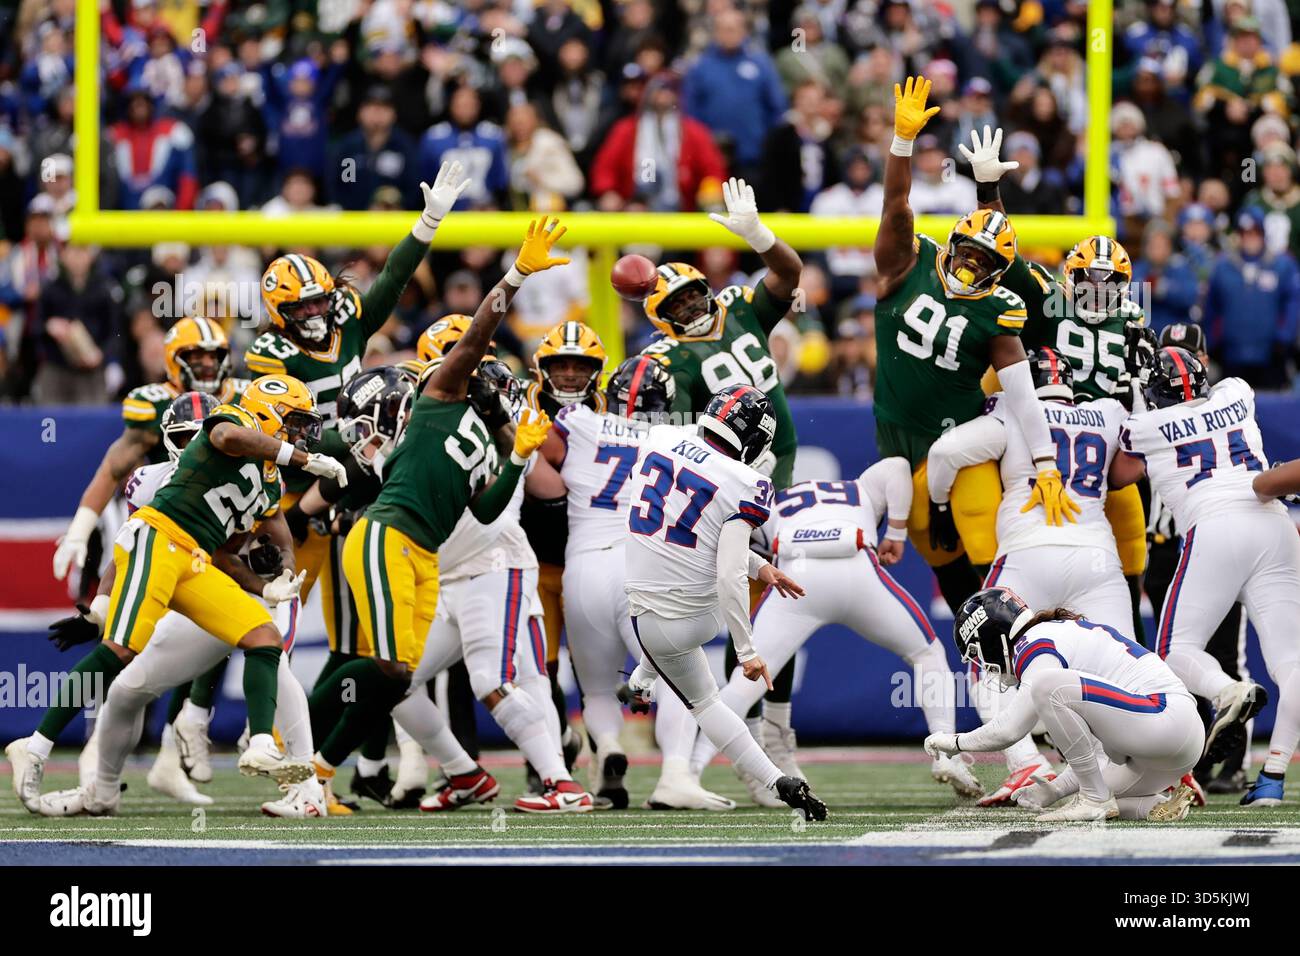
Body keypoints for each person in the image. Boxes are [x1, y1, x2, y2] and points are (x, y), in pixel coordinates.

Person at [314, 217, 574, 811]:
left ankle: (559, 781)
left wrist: (514, 277)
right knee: (395, 681)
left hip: (487, 566)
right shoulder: (453, 428)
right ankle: (464, 773)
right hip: (438, 563)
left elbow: (491, 508)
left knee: (500, 680)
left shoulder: (463, 416)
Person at [6, 376, 346, 811]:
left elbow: (264, 537)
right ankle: (34, 747)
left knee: (263, 636)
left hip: (197, 561)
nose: (301, 434)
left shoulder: (267, 480)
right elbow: (223, 436)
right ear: (268, 417)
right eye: (294, 424)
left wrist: (276, 579)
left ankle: (261, 742)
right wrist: (100, 606)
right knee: (119, 653)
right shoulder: (229, 425)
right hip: (161, 541)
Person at [871, 79, 1075, 615]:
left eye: (987, 264)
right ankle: (984, 666)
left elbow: (1023, 391)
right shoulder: (907, 265)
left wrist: (1046, 460)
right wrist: (901, 142)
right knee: (944, 560)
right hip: (901, 446)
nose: (972, 267)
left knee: (987, 547)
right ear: (954, 240)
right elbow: (896, 205)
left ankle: (1018, 647)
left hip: (962, 438)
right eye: (969, 254)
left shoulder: (999, 307)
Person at [688, 455, 980, 800]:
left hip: (796, 573)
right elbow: (898, 467)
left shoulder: (769, 497)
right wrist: (896, 533)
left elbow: (733, 539)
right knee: (927, 653)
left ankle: (690, 770)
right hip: (856, 565)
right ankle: (945, 751)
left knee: (744, 682)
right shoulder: (859, 487)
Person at [638, 176, 805, 771]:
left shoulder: (738, 309)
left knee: (779, 601)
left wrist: (759, 235)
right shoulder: (670, 360)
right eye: (674, 306)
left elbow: (789, 276)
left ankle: (771, 724)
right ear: (661, 319)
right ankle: (753, 729)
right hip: (735, 490)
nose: (689, 308)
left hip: (778, 470)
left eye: (691, 296)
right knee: (753, 601)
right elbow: (690, 442)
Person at [928, 348, 1133, 804]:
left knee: (984, 661)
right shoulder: (1108, 412)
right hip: (1096, 554)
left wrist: (940, 504)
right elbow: (1132, 468)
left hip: (1026, 552)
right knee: (1122, 668)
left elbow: (944, 451)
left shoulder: (1011, 412)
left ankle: (1026, 764)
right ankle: (1136, 770)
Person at [618, 384, 826, 821]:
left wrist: (759, 567)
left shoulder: (660, 439)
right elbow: (727, 571)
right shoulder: (747, 481)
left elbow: (685, 525)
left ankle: (641, 679)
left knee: (700, 697)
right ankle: (778, 780)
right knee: (706, 700)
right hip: (698, 616)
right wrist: (747, 651)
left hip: (642, 612)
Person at [1111, 347, 1300, 807]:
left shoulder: (1146, 426)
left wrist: (1134, 395)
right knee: (1292, 662)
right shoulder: (1237, 391)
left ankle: (1227, 691)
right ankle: (1272, 778)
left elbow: (1119, 474)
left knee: (1175, 653)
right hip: (1273, 523)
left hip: (1214, 527)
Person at [928, 588, 1204, 822]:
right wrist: (1055, 790)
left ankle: (1094, 798)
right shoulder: (1057, 635)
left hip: (1162, 719)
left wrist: (954, 742)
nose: (985, 667)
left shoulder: (1034, 641)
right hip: (1172, 744)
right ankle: (1154, 806)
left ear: (992, 638)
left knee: (1048, 688)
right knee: (1090, 799)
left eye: (977, 654)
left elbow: (1009, 730)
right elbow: (1095, 755)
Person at [52, 317, 243, 585]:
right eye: (196, 355)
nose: (208, 364)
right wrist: (79, 529)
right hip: (172, 524)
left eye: (214, 355)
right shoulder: (156, 403)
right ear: (173, 360)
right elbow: (114, 467)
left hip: (235, 525)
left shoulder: (245, 397)